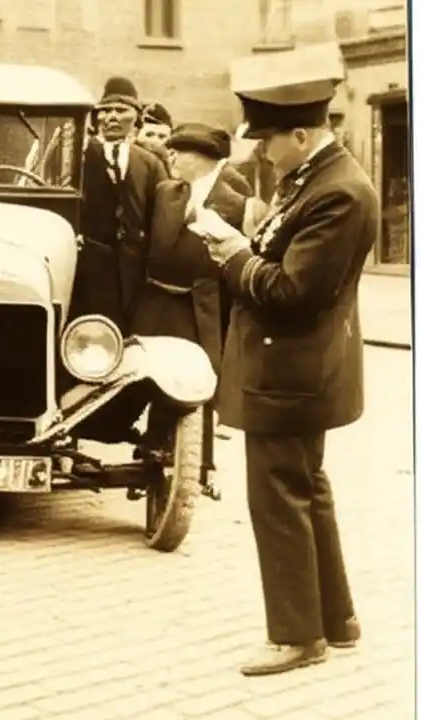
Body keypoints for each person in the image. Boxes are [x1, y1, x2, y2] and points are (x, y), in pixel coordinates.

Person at [190, 70, 374, 677]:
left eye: (267, 140)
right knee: (306, 487)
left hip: (289, 368)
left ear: (300, 133)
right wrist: (248, 245)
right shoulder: (314, 178)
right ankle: (335, 620)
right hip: (295, 366)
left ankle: (296, 636)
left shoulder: (336, 192)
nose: (259, 151)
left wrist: (232, 254)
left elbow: (292, 289)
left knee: (278, 496)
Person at [129, 123, 251, 487]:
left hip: (204, 307)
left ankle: (199, 466)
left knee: (199, 382)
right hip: (157, 300)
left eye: (177, 152)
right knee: (153, 375)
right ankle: (153, 450)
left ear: (202, 158)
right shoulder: (165, 192)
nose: (170, 158)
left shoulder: (237, 202)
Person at [72, 76, 168, 444]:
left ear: (136, 118)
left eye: (121, 110)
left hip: (134, 274)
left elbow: (162, 215)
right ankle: (74, 426)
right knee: (86, 342)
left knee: (130, 348)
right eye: (105, 110)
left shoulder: (151, 163)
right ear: (95, 118)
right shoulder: (79, 160)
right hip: (89, 271)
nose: (112, 117)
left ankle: (112, 422)